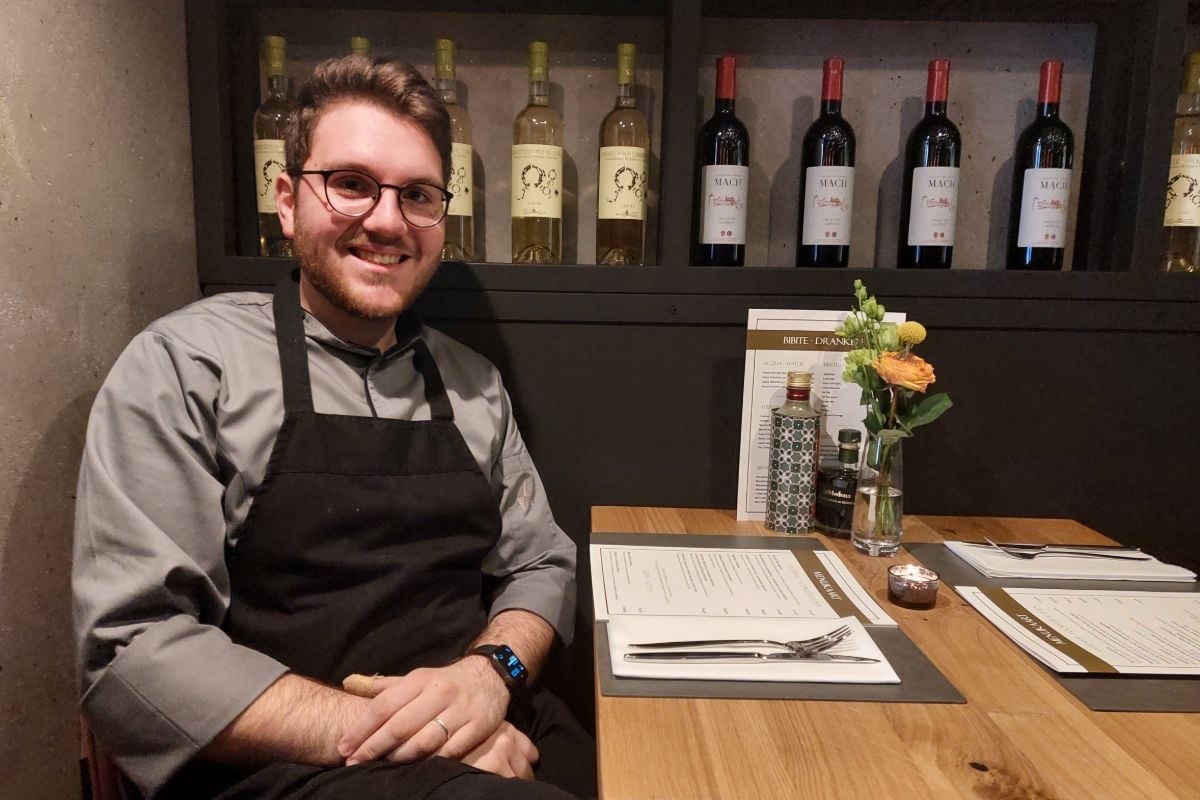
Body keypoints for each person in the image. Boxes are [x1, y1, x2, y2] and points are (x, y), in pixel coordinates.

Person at [72, 55, 594, 800]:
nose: (386, 220)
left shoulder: (473, 381)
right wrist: (413, 736)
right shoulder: (185, 365)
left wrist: (489, 676)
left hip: (485, 717)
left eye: (417, 195)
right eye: (351, 183)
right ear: (288, 202)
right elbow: (134, 651)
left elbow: (541, 563)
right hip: (284, 764)